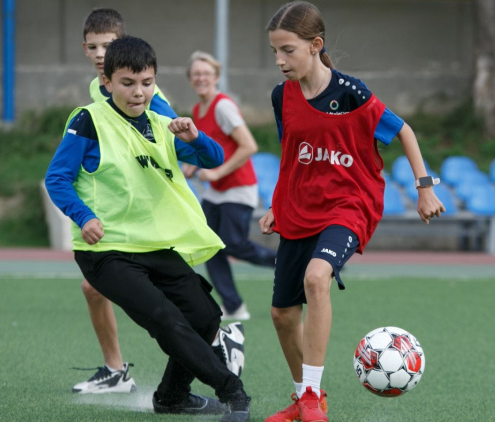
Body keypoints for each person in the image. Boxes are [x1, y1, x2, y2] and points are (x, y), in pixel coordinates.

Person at [44, 36, 250, 421]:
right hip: (106, 252)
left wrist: (196, 138)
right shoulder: (88, 121)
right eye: (127, 83)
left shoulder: (164, 124)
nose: (138, 93)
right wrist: (84, 216)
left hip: (155, 248)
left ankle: (172, 397)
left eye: (146, 83)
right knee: (165, 318)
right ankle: (231, 389)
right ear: (107, 82)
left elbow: (216, 158)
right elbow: (57, 179)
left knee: (205, 316)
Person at [259, 2, 445, 421]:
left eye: (287, 50)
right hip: (299, 206)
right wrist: (275, 204)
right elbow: (291, 156)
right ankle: (305, 398)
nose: (279, 60)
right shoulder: (280, 96)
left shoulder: (351, 92)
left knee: (316, 277)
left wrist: (424, 188)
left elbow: (403, 132)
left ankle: (311, 395)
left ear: (315, 45)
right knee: (282, 315)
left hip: (350, 205)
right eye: (275, 51)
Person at [183, 51, 277, 321]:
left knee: (234, 244)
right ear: (190, 79)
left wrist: (217, 172)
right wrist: (193, 165)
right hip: (216, 192)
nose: (201, 78)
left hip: (237, 188)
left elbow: (249, 145)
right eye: (196, 74)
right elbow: (209, 149)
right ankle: (234, 306)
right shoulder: (197, 112)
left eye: (206, 73)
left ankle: (288, 264)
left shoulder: (222, 106)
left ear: (216, 77)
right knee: (211, 245)